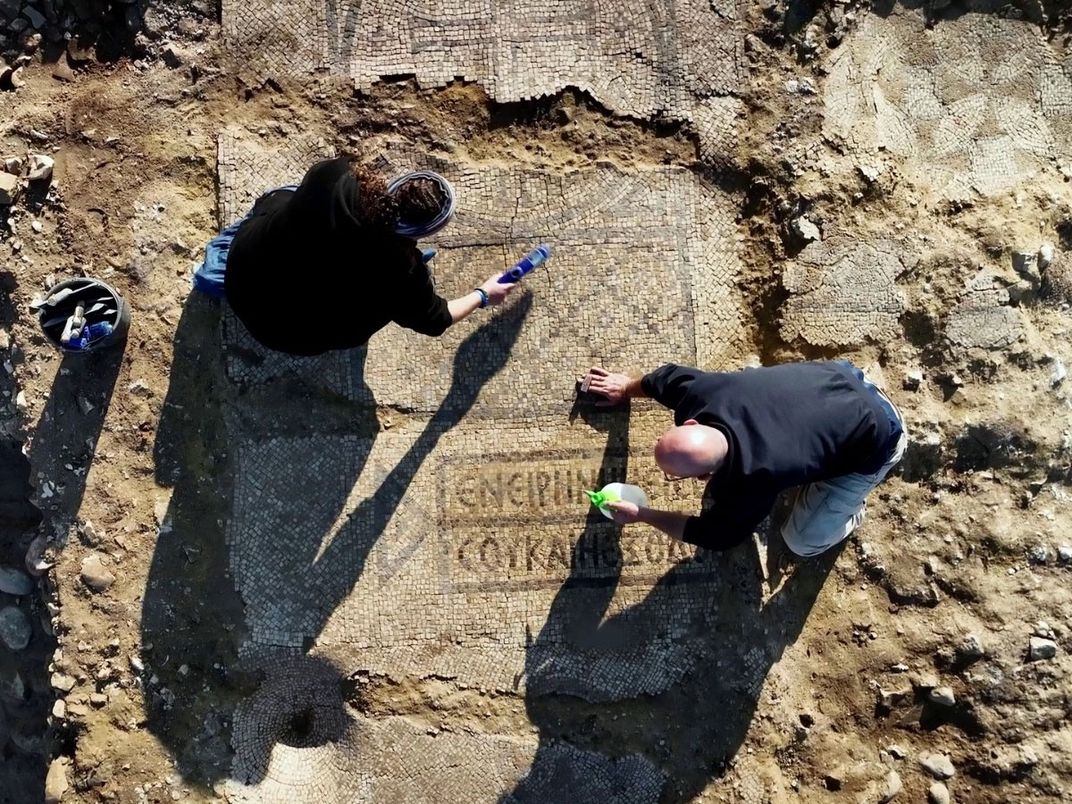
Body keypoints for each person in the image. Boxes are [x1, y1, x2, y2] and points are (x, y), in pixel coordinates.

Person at [579, 361, 907, 557]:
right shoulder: (704, 393)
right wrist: (625, 388)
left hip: (881, 434)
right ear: (691, 422)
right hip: (841, 377)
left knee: (799, 541)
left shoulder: (753, 480)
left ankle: (850, 506)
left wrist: (643, 515)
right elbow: (662, 379)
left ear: (705, 476)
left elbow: (718, 536)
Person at [198, 157, 517, 355]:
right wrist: (484, 294)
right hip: (288, 336)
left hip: (243, 277)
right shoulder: (403, 275)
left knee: (287, 196)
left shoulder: (334, 179)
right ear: (422, 233)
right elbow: (437, 320)